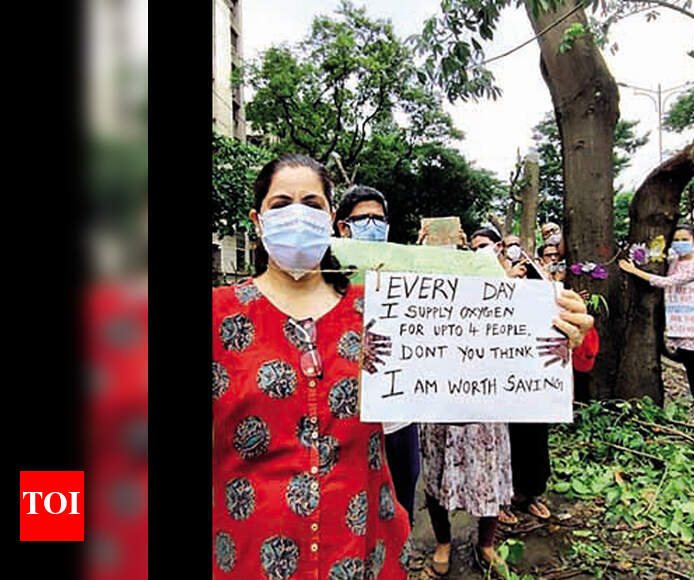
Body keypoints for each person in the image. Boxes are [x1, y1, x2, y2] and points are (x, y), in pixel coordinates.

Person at [213, 155, 411, 579]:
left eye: (313, 204)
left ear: (331, 219)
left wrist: (555, 329)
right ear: (257, 220)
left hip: (361, 551)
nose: (297, 215)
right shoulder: (217, 317)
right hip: (246, 556)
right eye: (281, 204)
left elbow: (461, 374)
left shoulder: (381, 309)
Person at [420, 229, 595, 579]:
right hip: (440, 404)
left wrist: (570, 331)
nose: (478, 254)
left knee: (492, 481)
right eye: (472, 249)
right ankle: (443, 543)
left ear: (501, 248)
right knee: (437, 478)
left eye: (485, 247)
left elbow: (544, 334)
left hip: (490, 409)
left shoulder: (524, 289)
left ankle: (486, 544)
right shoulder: (436, 286)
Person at [333, 185, 421, 531]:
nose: (373, 225)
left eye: (379, 219)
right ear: (342, 227)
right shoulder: (324, 278)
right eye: (363, 218)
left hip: (399, 418)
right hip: (347, 421)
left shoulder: (407, 274)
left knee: (401, 505)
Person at [618, 223, 694, 420]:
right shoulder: (674, 260)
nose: (681, 243)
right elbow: (657, 261)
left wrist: (634, 271)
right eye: (677, 240)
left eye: (685, 240)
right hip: (683, 323)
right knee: (691, 369)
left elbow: (667, 282)